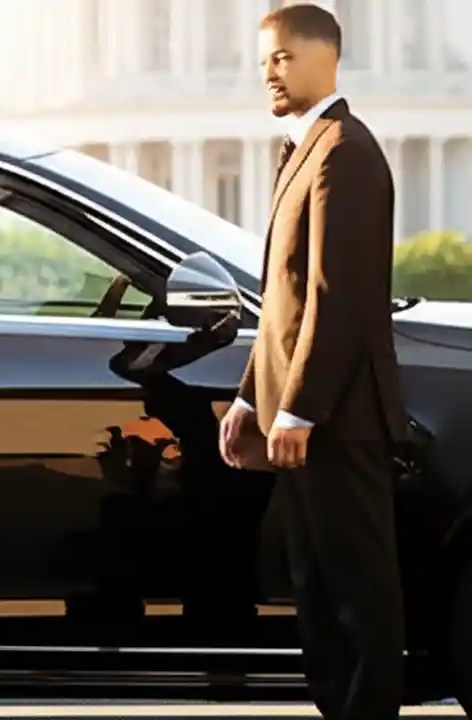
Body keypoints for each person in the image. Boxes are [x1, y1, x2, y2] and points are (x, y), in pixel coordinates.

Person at [217, 4, 409, 719]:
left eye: (283, 58)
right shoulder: (305, 150)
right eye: (264, 59)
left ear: (325, 60)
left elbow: (339, 297)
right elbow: (282, 305)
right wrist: (249, 399)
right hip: (300, 416)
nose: (268, 72)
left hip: (339, 418)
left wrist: (299, 408)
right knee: (319, 587)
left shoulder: (344, 153)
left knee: (358, 589)